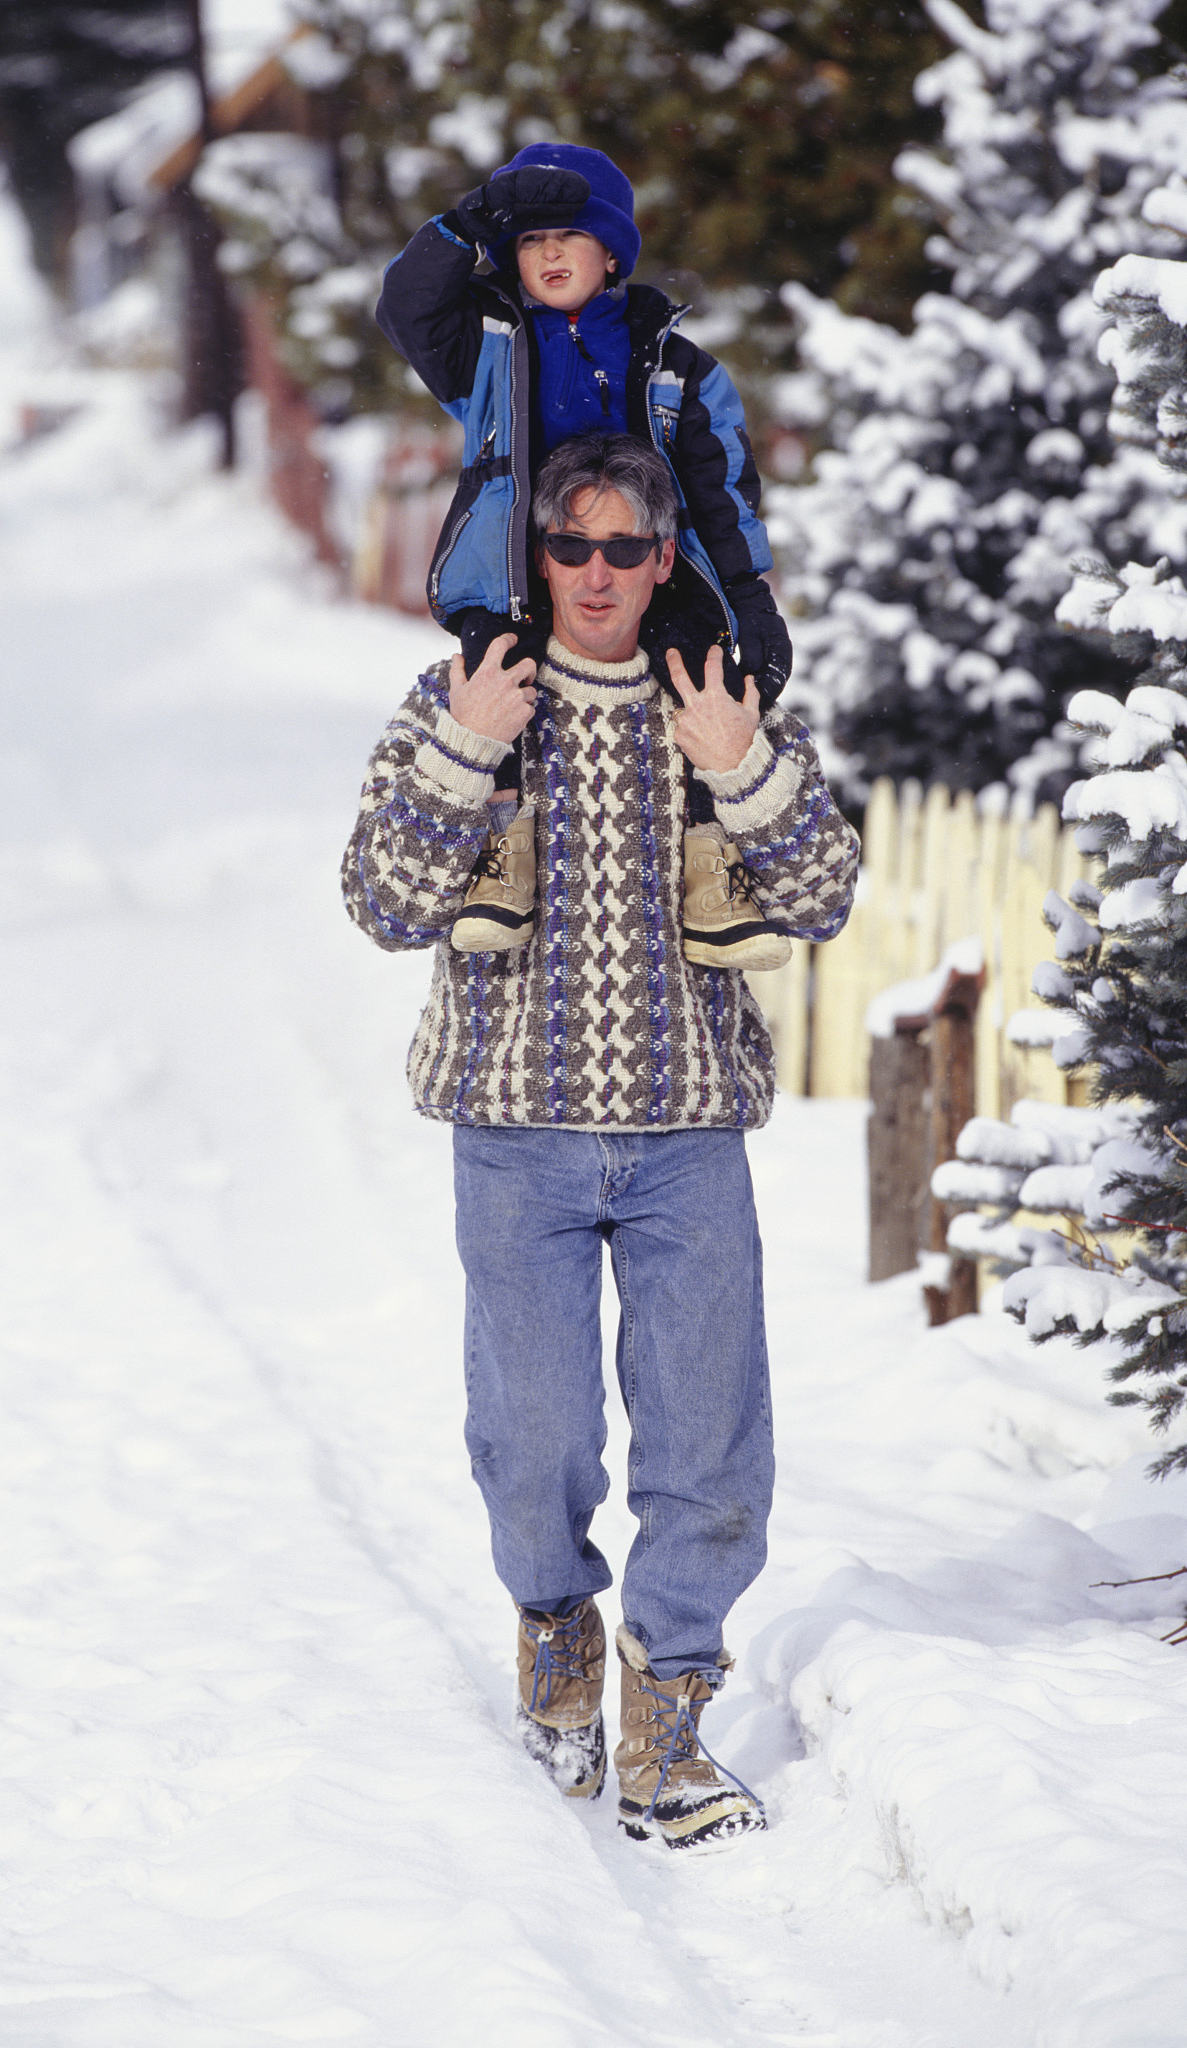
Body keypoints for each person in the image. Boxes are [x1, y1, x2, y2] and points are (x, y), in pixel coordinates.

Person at [341, 433, 858, 1849]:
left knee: (710, 1445)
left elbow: (822, 895)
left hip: (690, 1129)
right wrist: (465, 747)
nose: (598, 574)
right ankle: (556, 1624)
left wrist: (741, 765)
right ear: (538, 555)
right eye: (572, 545)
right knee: (536, 1440)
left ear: (664, 557)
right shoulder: (467, 692)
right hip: (514, 1132)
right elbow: (382, 900)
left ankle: (668, 1722)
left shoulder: (722, 695)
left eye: (628, 547)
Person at [375, 142, 794, 962]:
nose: (551, 254)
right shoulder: (487, 349)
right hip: (512, 566)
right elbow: (406, 309)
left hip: (642, 560)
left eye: (569, 236)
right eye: (530, 241)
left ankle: (711, 863)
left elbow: (723, 487)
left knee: (702, 678)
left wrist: (747, 594)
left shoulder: (678, 366)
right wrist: (466, 223)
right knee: (495, 684)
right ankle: (504, 852)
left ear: (612, 253)